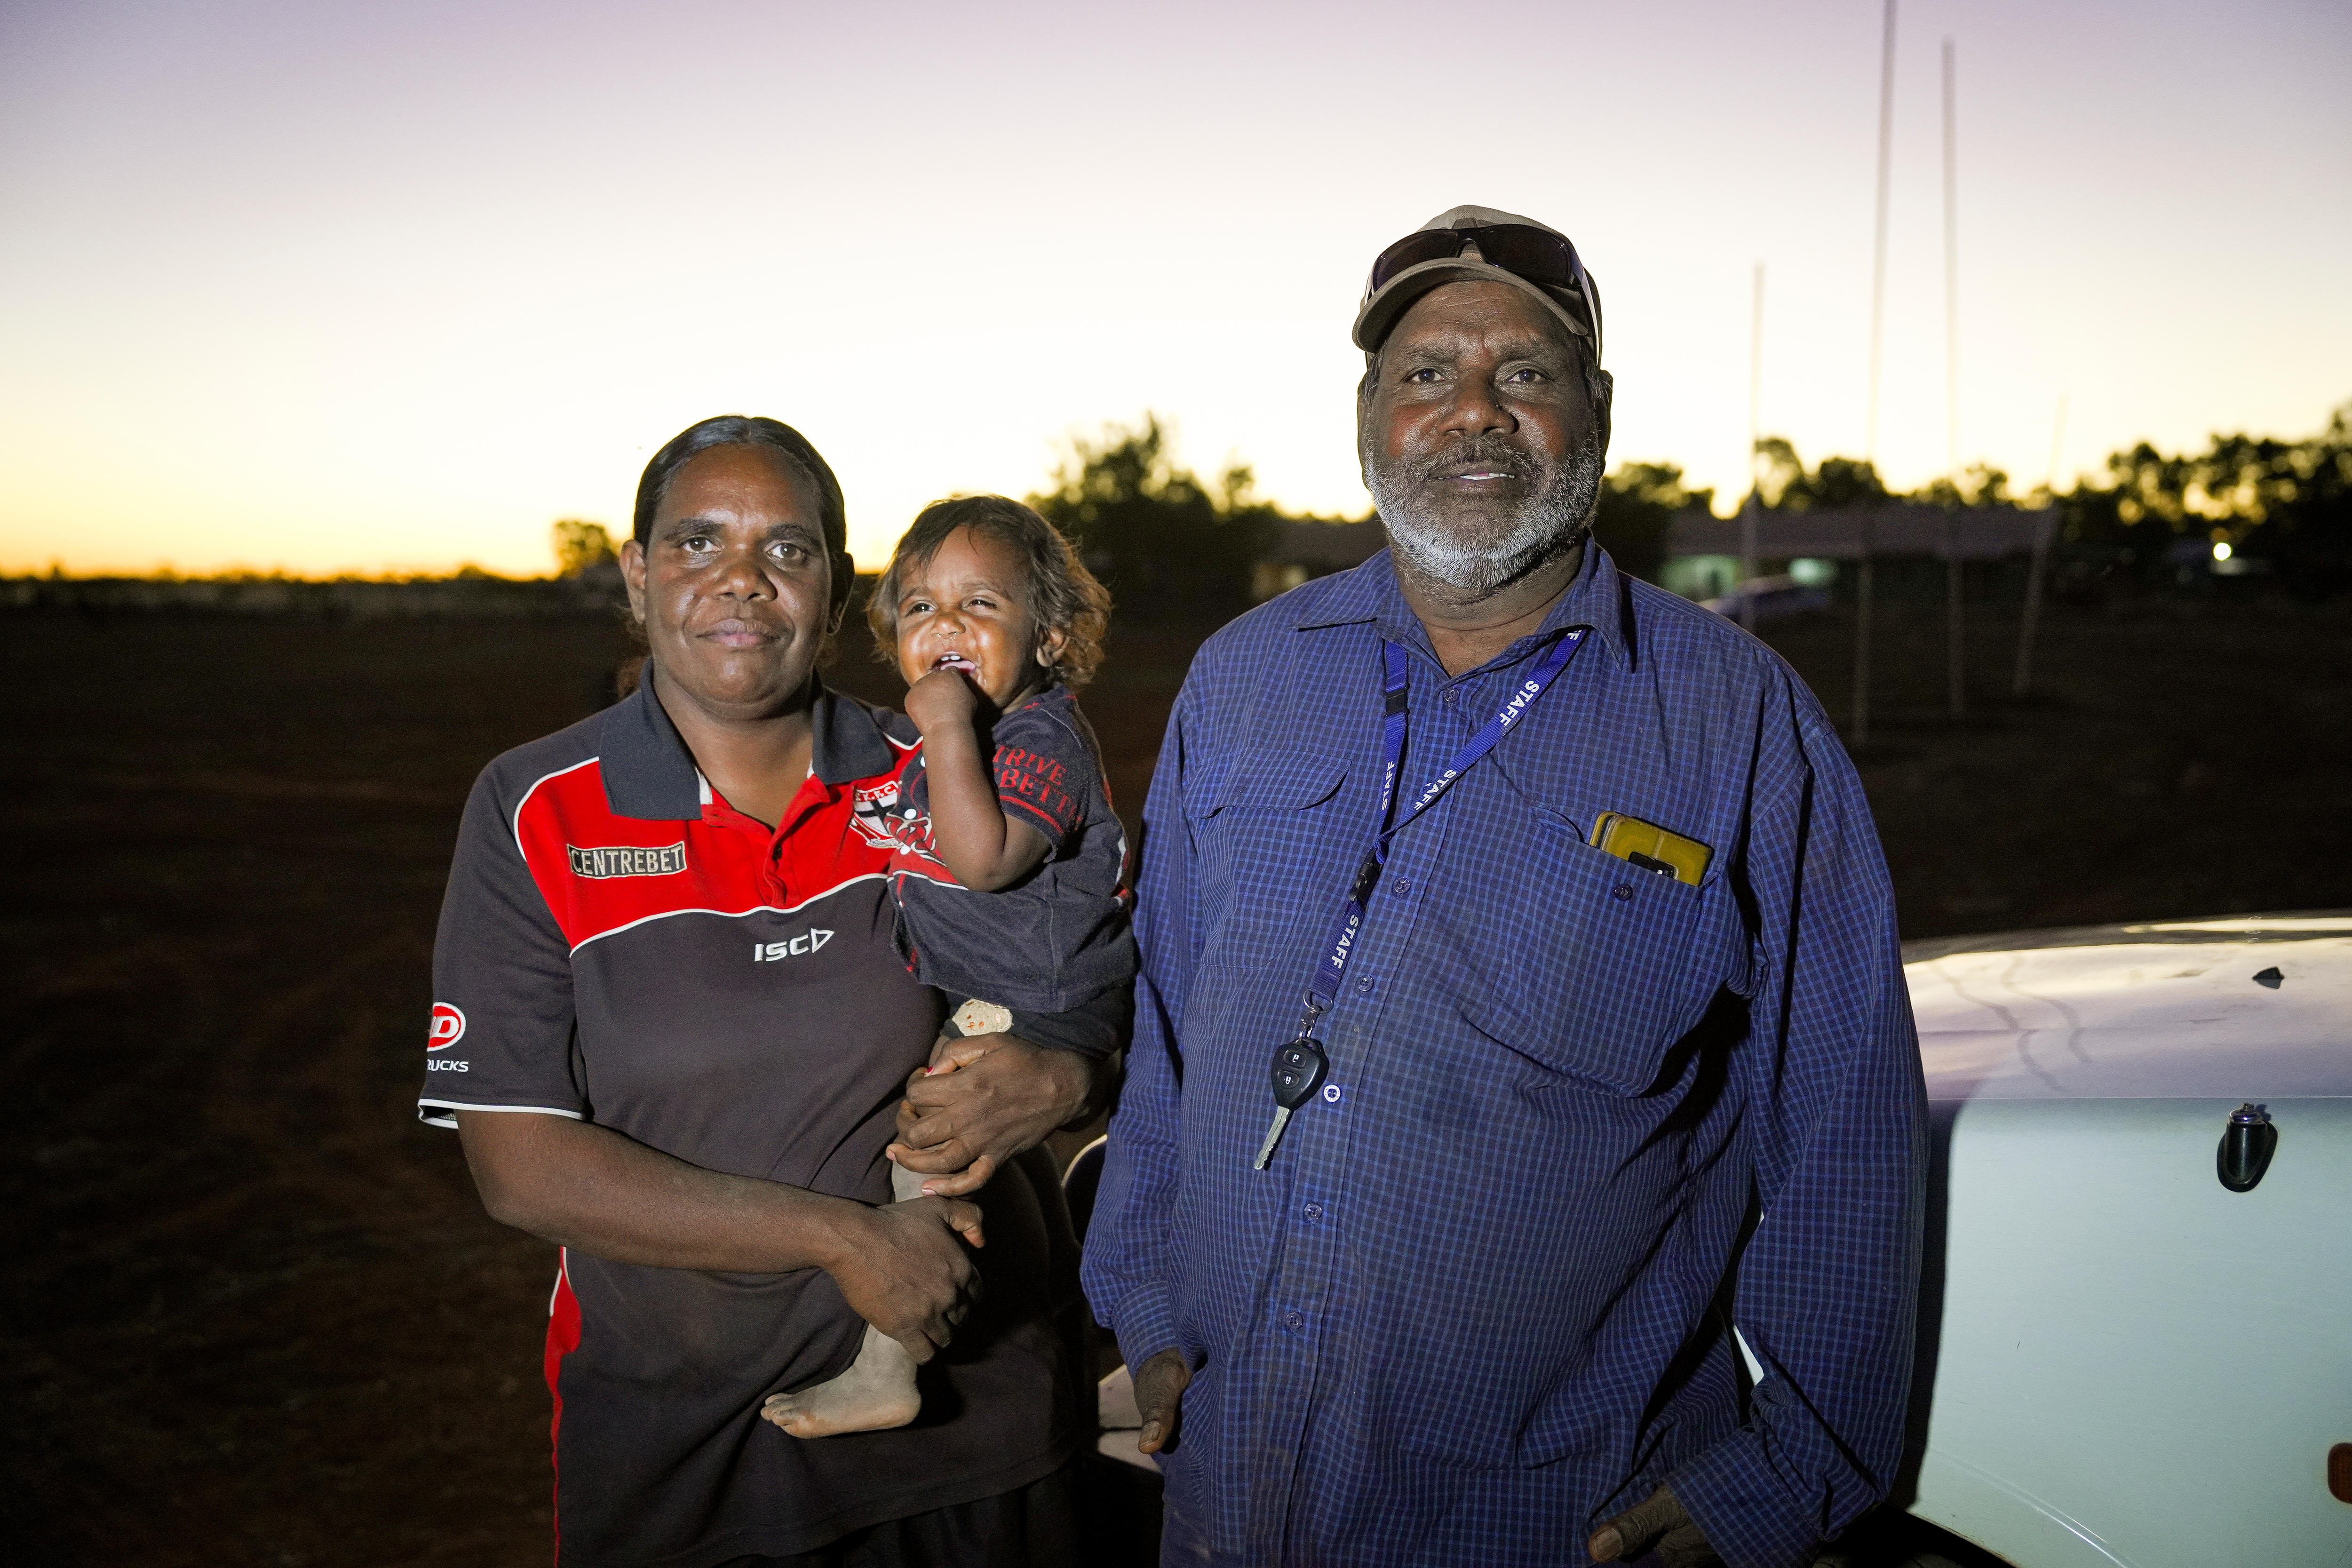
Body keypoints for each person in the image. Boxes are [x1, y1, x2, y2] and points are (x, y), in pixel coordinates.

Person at [1081, 207, 1928, 1568]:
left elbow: (1846, 1117)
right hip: (1231, 1485)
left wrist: (1781, 1474)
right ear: (1370, 414)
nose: (1473, 410)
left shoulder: (1738, 718)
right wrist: (1146, 1301)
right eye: (1426, 373)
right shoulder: (1242, 677)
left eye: (1525, 373)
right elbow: (1168, 1025)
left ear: (1595, 409)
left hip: (1551, 1509)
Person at [421, 415, 1112, 1567]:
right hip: (691, 1443)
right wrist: (845, 1241)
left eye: (787, 550)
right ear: (636, 573)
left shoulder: (935, 774)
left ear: (838, 591)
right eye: (695, 542)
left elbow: (1091, 957)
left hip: (985, 1432)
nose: (741, 577)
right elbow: (519, 1165)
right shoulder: (536, 805)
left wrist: (1077, 1061)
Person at [763, 494, 1134, 1440]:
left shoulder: (1037, 738)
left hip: (1032, 1001)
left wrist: (942, 727)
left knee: (924, 1143)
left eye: (981, 605)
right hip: (984, 983)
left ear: (1049, 636)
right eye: (922, 608)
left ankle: (890, 1363)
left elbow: (981, 857)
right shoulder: (951, 738)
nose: (948, 627)